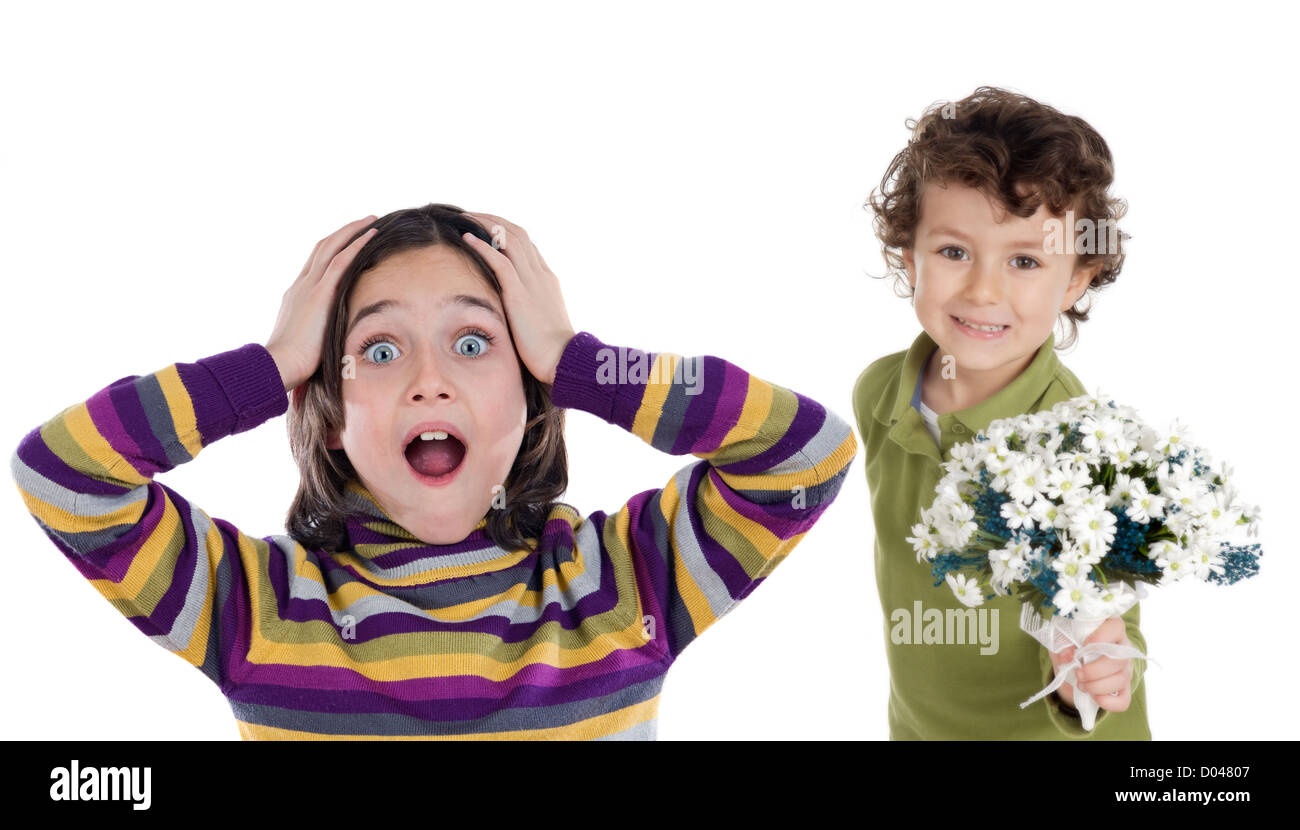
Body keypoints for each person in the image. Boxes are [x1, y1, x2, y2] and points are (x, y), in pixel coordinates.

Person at [11, 204, 857, 740]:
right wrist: (267, 370)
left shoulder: (623, 579)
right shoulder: (258, 605)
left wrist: (581, 361)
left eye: (474, 342)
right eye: (379, 349)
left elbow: (807, 454)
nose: (429, 378)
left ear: (531, 395)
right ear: (332, 417)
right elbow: (62, 476)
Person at [852, 87, 1151, 739]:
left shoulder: (1076, 443)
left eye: (1023, 261)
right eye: (954, 251)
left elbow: (1111, 623)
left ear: (1075, 278)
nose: (983, 290)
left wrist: (1090, 680)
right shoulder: (879, 393)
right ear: (910, 255)